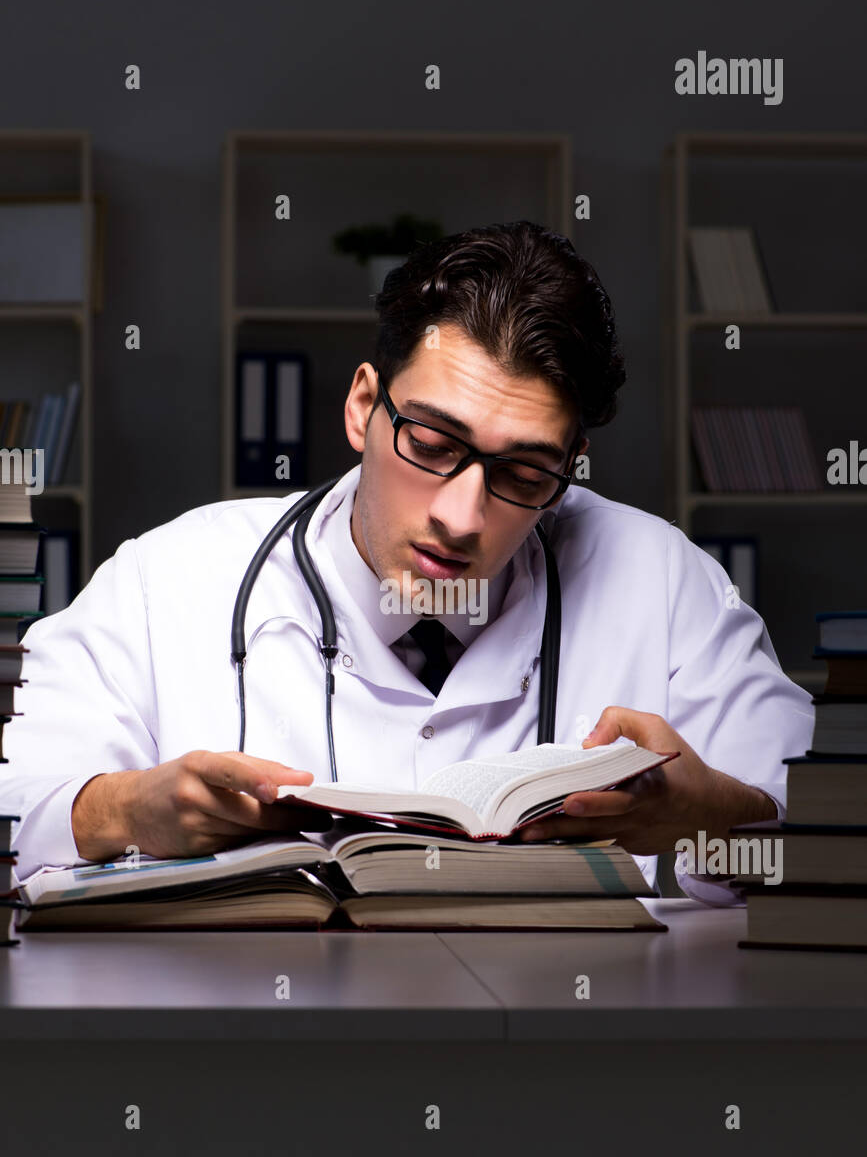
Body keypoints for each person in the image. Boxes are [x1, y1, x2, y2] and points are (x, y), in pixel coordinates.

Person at [1, 220, 813, 903]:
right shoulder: (165, 580)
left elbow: (825, 856)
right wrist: (121, 812)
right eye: (429, 442)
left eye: (525, 473)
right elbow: (18, 812)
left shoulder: (664, 583)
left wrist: (706, 818)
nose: (461, 517)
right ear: (363, 407)